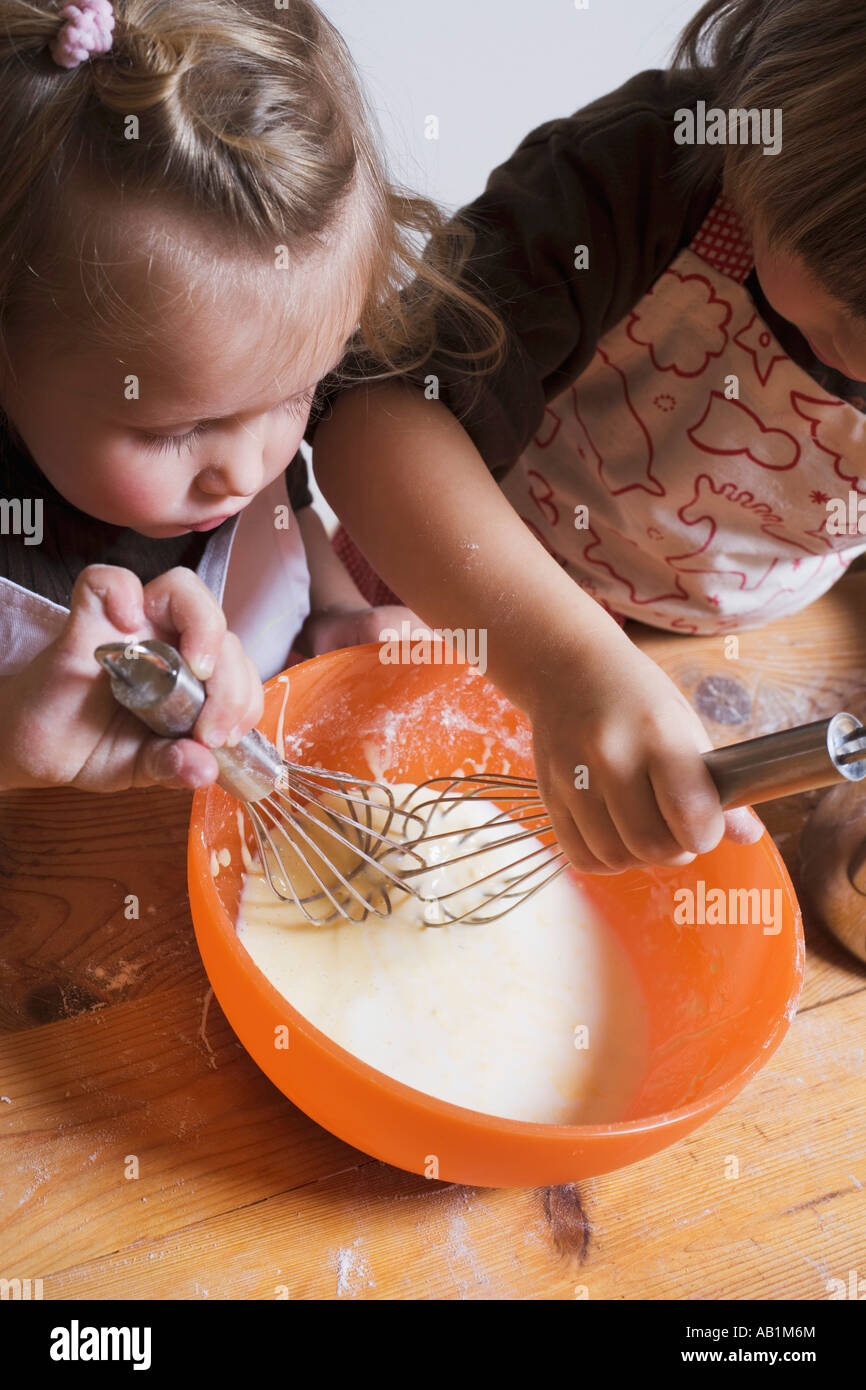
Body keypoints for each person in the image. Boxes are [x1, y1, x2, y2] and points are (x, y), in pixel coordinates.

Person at [310, 0, 866, 875]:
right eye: (848, 305)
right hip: (463, 577)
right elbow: (373, 417)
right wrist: (568, 664)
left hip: (713, 656)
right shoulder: (646, 168)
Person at [0, 0, 503, 793]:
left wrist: (336, 619)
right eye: (180, 429)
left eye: (296, 395)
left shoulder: (247, 423)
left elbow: (287, 522)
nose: (243, 470)